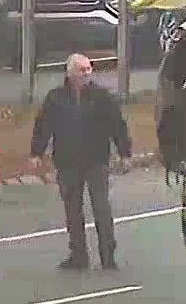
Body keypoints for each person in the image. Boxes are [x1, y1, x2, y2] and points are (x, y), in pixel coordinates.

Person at [28, 53, 133, 269]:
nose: (86, 73)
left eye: (88, 69)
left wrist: (125, 153)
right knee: (73, 211)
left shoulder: (101, 96)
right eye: (82, 70)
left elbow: (117, 125)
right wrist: (36, 153)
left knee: (101, 208)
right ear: (70, 73)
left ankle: (108, 256)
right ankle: (78, 255)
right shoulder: (55, 98)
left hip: (96, 161)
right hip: (67, 162)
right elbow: (43, 126)